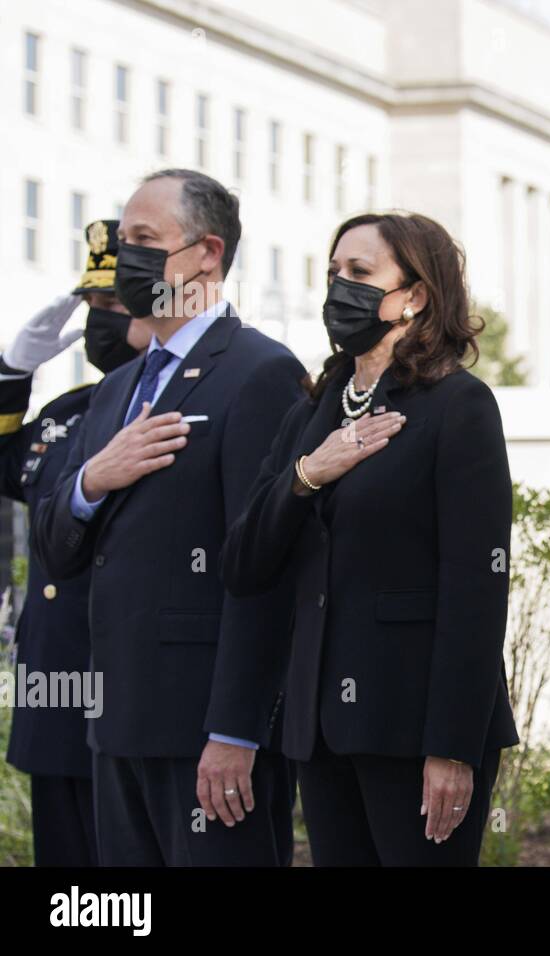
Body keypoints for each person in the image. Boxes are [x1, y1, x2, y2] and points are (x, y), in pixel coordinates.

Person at [221, 212, 518, 866]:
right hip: (322, 729)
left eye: (360, 273)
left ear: (414, 295)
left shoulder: (457, 406)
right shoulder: (313, 410)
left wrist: (452, 747)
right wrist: (305, 475)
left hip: (415, 732)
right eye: (333, 273)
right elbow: (244, 563)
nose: (339, 288)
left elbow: (476, 589)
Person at [34, 170, 305, 866]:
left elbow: (266, 568)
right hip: (114, 725)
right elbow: (56, 546)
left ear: (207, 254)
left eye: (145, 240)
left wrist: (237, 731)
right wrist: (95, 478)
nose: (127, 258)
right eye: (123, 241)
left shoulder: (259, 372)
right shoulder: (117, 389)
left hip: (207, 737)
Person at [0, 220, 151, 865]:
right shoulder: (68, 412)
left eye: (114, 304)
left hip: (132, 684)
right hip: (54, 682)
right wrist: (11, 373)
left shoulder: (185, 401)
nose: (99, 321)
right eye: (92, 306)